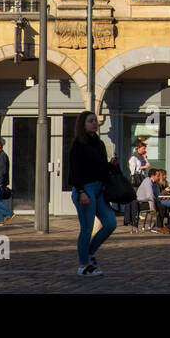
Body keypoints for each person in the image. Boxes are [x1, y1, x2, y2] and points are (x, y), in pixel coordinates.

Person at [69, 109, 118, 276]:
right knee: (86, 229)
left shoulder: (99, 143)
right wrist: (81, 191)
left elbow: (101, 168)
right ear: (82, 124)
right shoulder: (78, 144)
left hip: (99, 189)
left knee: (110, 223)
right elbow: (75, 171)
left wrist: (112, 165)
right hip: (85, 189)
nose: (94, 123)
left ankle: (88, 253)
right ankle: (83, 266)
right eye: (90, 121)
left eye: (95, 120)